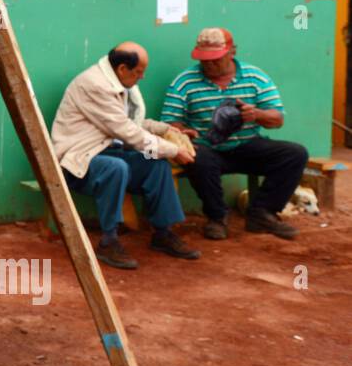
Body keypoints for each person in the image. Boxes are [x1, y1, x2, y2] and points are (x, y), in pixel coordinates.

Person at [51, 42, 199, 269]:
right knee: (115, 167)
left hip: (112, 151)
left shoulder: (119, 83)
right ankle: (109, 240)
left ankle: (162, 232)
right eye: (139, 72)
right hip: (78, 162)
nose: (142, 77)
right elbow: (126, 131)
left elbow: (132, 125)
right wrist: (173, 150)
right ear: (122, 68)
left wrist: (167, 130)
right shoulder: (94, 85)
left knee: (155, 164)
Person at [161, 27, 307, 240]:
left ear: (232, 52)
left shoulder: (255, 77)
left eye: (215, 59)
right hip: (207, 149)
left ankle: (262, 213)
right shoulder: (184, 81)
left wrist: (256, 114)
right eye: (204, 59)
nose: (209, 64)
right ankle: (217, 217)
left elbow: (277, 119)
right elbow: (169, 121)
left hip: (248, 145)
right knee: (197, 158)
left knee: (295, 154)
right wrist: (183, 132)